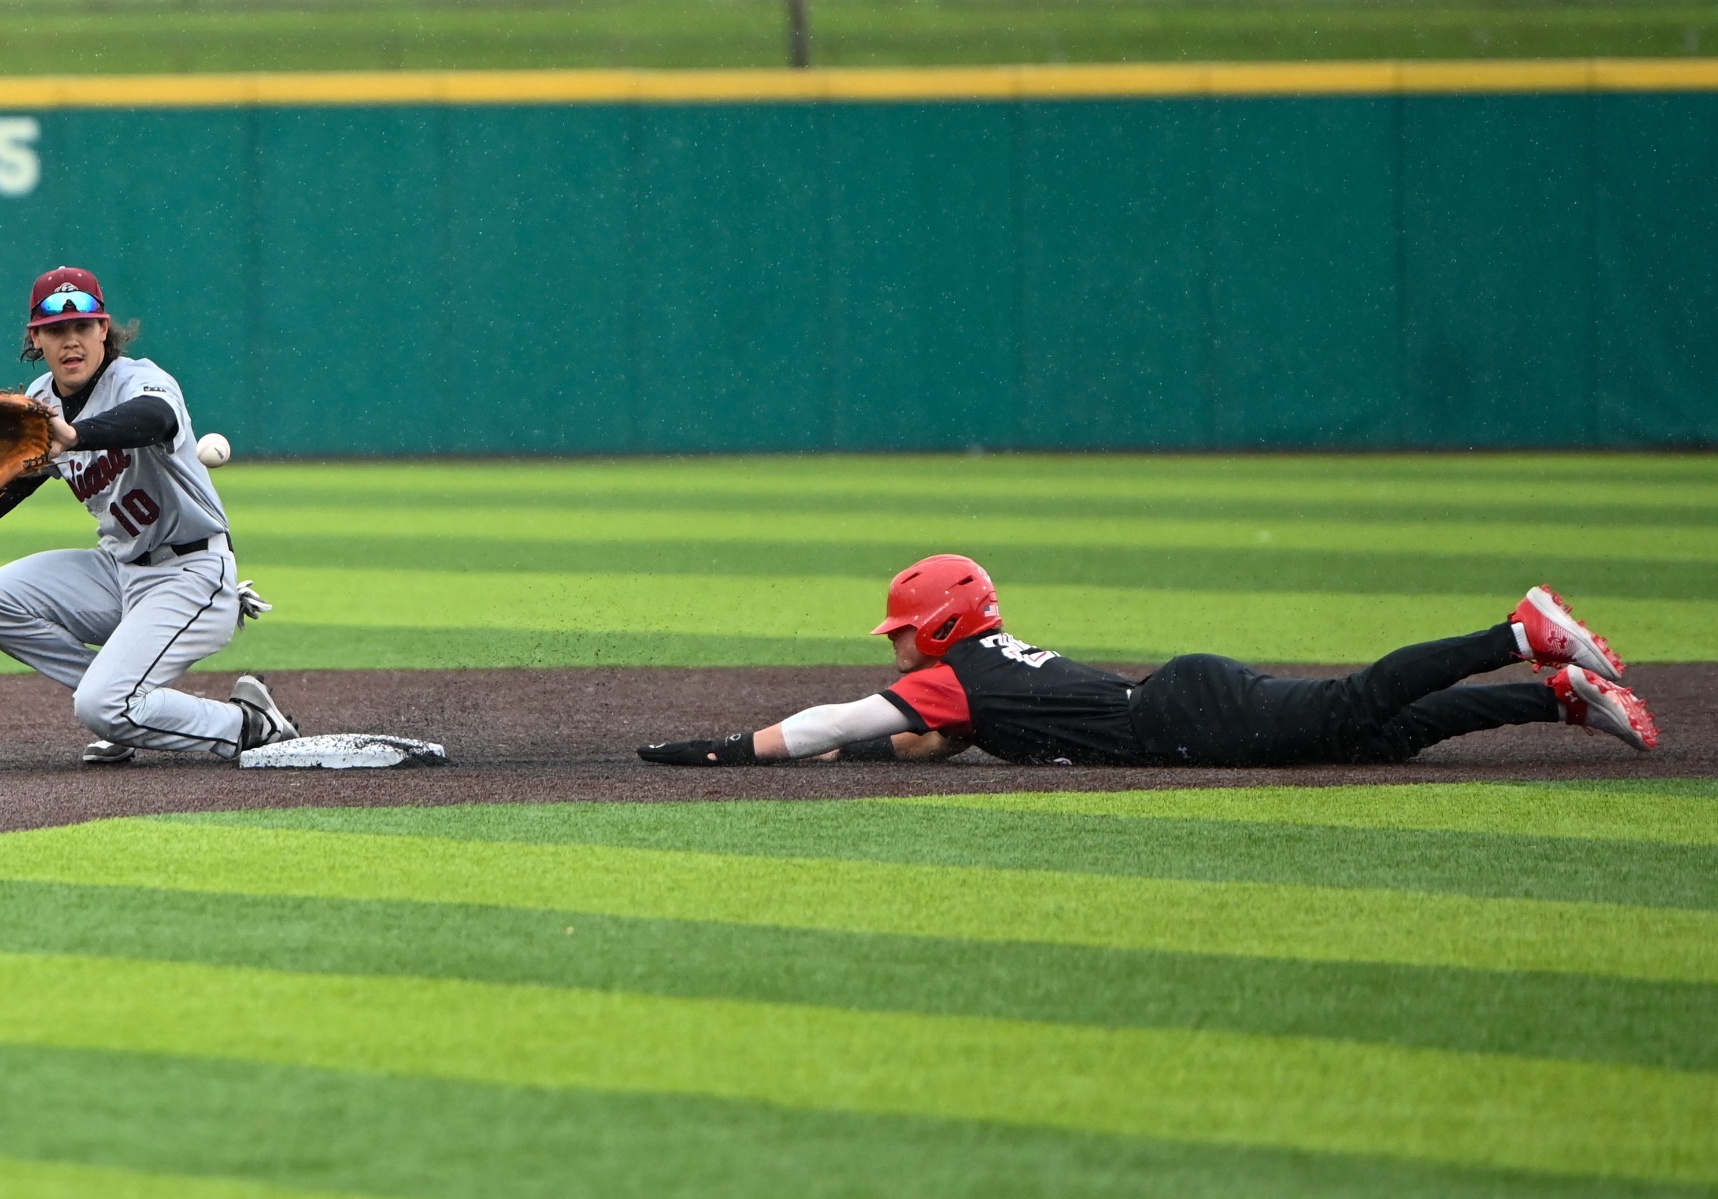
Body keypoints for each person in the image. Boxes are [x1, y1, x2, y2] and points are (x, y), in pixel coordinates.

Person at [638, 554, 1659, 768]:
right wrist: (859, 756)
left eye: (902, 630)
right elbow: (915, 742)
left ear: (939, 628)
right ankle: (1554, 699)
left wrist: (725, 749)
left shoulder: (948, 675)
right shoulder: (972, 678)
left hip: (1189, 719)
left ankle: (1518, 633)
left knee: (1352, 704)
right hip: (1181, 702)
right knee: (1378, 735)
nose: (895, 644)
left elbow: (838, 719)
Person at [0, 266, 298, 765]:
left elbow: (155, 418)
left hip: (191, 575)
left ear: (104, 329)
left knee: (101, 706)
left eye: (83, 326)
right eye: (56, 330)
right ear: (36, 337)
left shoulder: (139, 379)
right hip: (118, 572)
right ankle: (136, 706)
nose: (70, 341)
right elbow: (11, 484)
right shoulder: (40, 402)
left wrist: (77, 436)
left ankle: (250, 723)